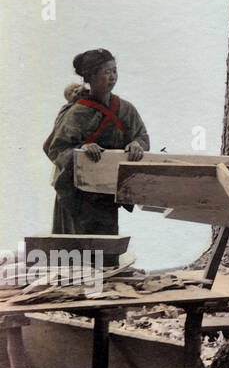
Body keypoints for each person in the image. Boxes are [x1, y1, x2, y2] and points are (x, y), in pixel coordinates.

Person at [42, 48, 149, 234]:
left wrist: (137, 144)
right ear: (90, 76)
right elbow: (56, 148)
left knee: (105, 251)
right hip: (76, 197)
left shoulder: (125, 109)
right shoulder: (77, 112)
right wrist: (82, 150)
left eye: (114, 70)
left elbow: (141, 136)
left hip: (107, 193)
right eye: (106, 72)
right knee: (76, 253)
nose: (113, 76)